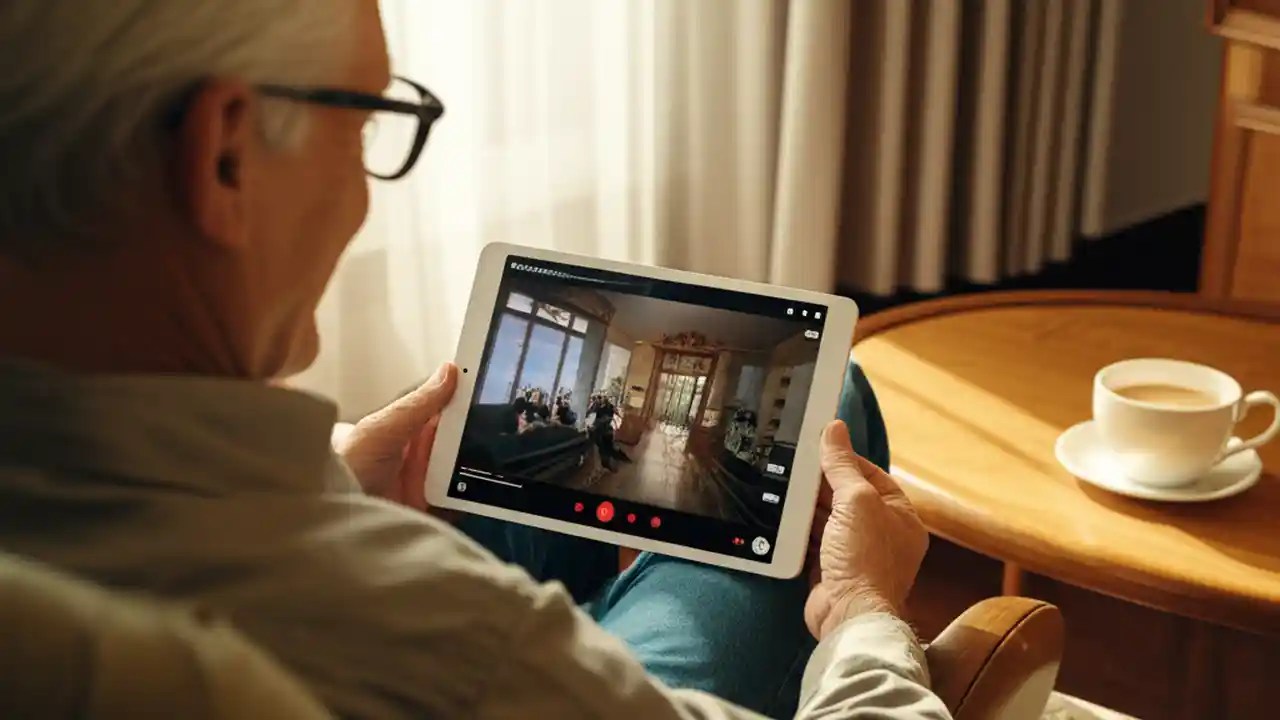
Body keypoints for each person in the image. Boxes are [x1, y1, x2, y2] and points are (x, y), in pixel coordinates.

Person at [0, 2, 948, 718]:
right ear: (227, 158)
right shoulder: (447, 637)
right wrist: (867, 613)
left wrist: (335, 482)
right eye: (367, 122)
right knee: (838, 408)